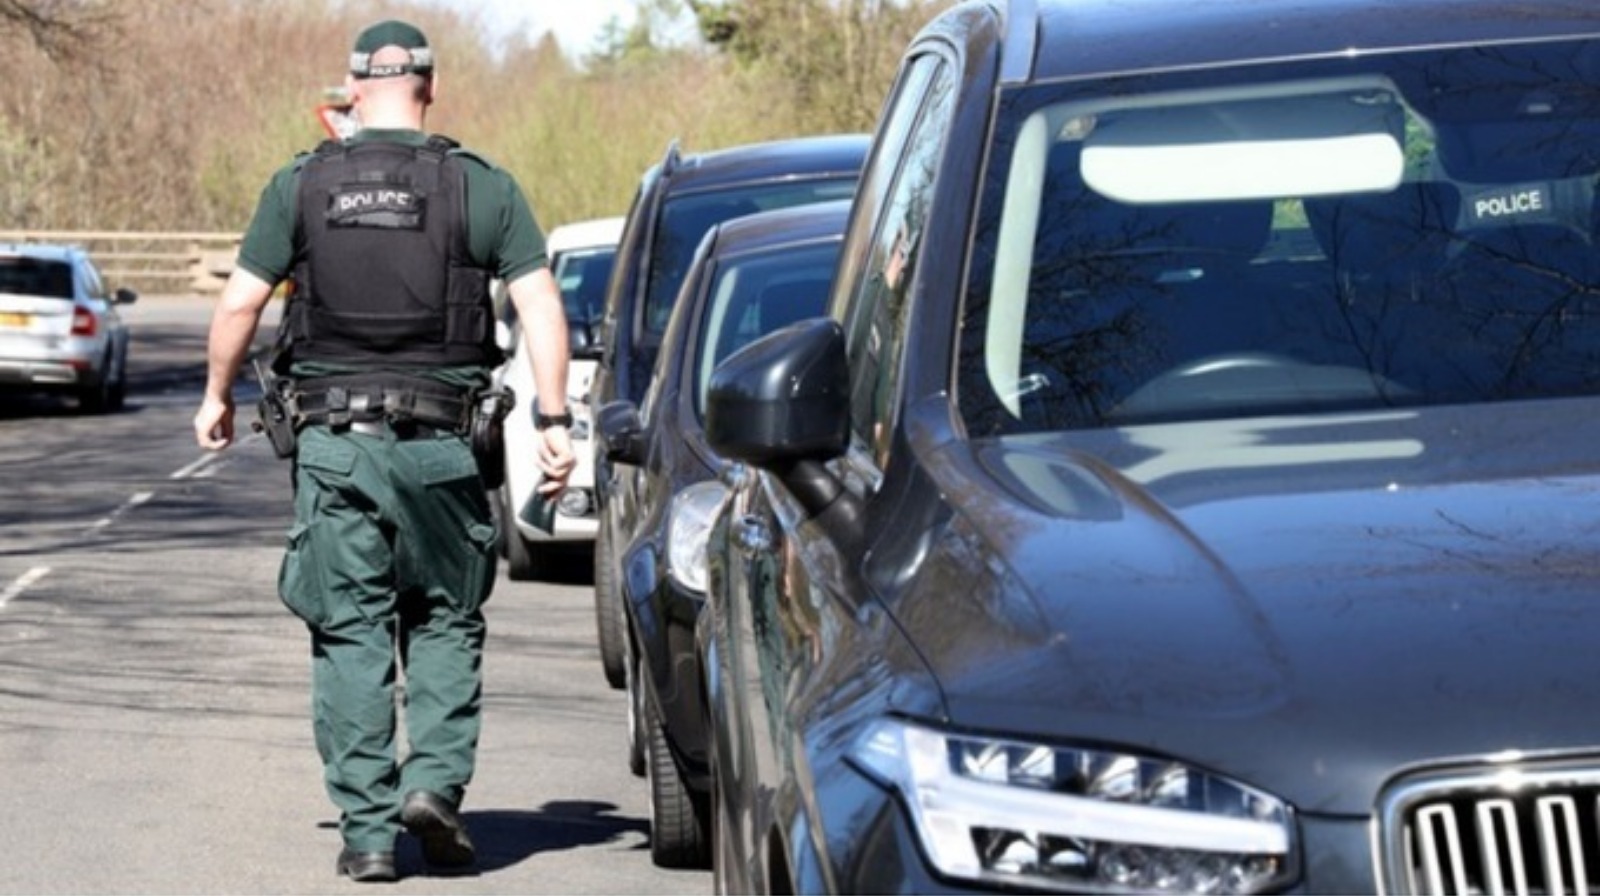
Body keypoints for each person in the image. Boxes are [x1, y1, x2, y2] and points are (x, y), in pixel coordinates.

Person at [192, 19, 577, 883]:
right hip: (443, 447)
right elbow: (542, 307)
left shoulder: (299, 185)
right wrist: (554, 422)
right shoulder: (481, 187)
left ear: (354, 89)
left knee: (350, 630)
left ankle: (368, 832)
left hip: (335, 450)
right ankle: (433, 784)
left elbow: (239, 307)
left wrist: (216, 396)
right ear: (430, 89)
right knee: (444, 616)